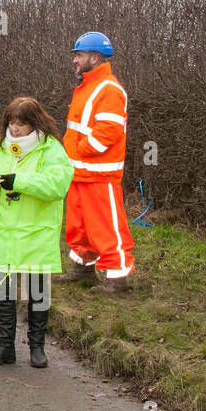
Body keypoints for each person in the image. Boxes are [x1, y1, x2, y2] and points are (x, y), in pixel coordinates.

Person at [0, 97, 73, 367]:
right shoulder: (4, 147)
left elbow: (57, 184)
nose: (15, 129)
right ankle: (5, 346)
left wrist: (20, 182)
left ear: (35, 123)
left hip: (37, 229)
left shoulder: (51, 149)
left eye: (22, 124)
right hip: (7, 228)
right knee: (3, 290)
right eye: (12, 123)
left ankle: (37, 348)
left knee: (37, 290)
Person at [61, 32, 134, 292]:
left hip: (99, 175)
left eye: (78, 55)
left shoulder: (109, 89)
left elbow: (108, 131)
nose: (75, 60)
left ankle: (117, 280)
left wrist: (80, 150)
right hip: (80, 173)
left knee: (107, 229)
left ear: (94, 57)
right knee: (79, 227)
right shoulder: (87, 86)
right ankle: (83, 270)